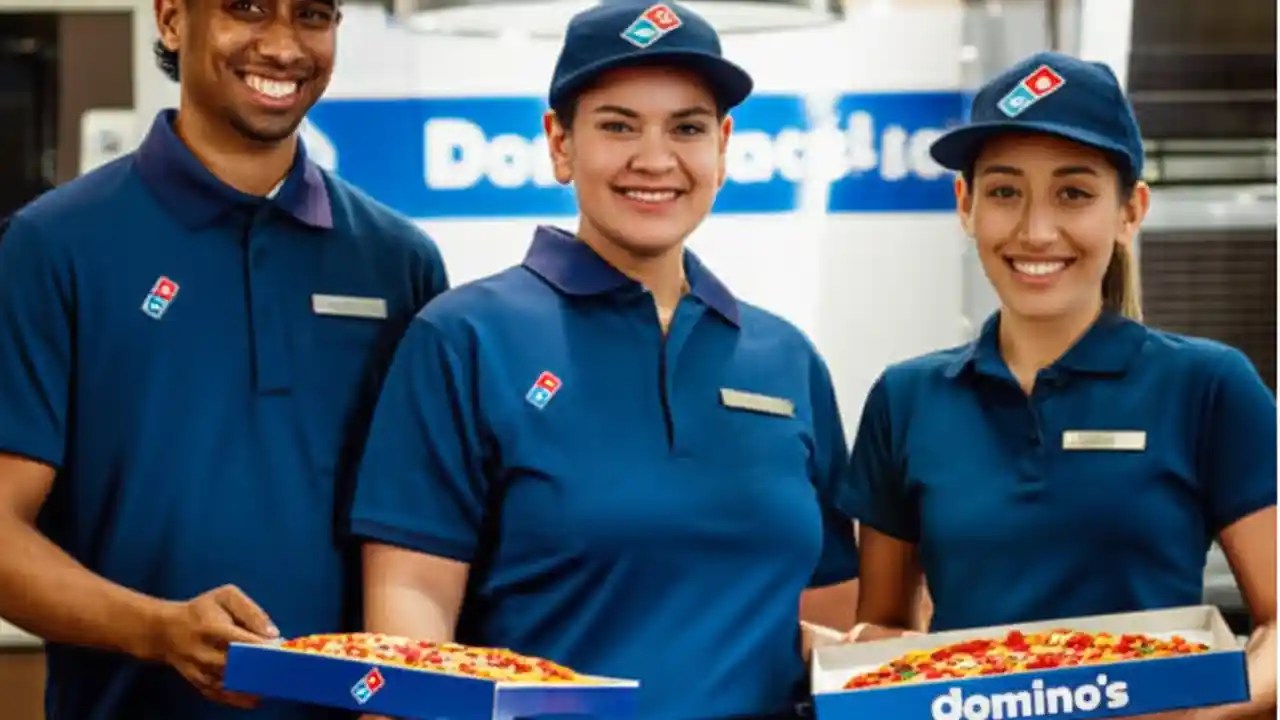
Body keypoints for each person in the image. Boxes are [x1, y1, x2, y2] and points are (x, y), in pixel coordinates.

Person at [347, 2, 859, 718]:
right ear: (559, 143)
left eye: (687, 127)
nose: (655, 160)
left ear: (724, 146)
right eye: (618, 126)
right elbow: (411, 616)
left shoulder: (786, 360)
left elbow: (829, 624)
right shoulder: (465, 339)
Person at [0, 0, 448, 718]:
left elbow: (433, 536)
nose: (282, 45)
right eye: (246, 9)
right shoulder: (52, 247)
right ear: (173, 19)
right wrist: (158, 631)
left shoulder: (400, 262)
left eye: (311, 15)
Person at [838, 51, 1276, 719]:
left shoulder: (1208, 385)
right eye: (1006, 191)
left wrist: (1195, 710)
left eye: (1074, 192)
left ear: (1130, 212)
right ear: (966, 204)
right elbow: (884, 632)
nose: (1035, 230)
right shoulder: (906, 399)